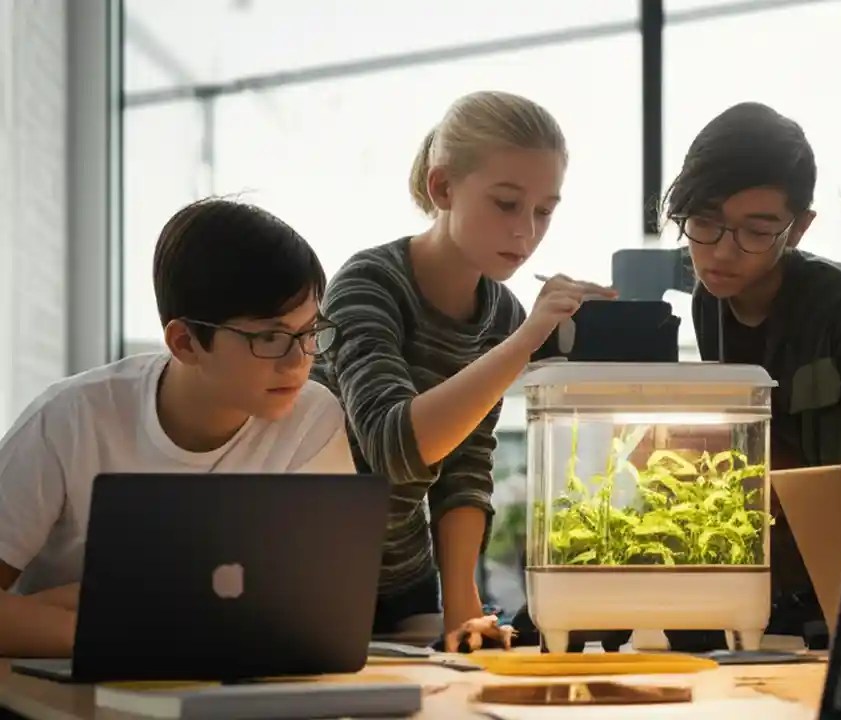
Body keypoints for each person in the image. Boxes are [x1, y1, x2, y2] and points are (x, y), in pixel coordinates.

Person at [311, 91, 613, 651]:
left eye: (544, 211)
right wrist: (528, 341)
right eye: (505, 204)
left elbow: (465, 470)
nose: (526, 231)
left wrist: (463, 608)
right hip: (309, 573)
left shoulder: (501, 315)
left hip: (405, 578)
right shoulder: (368, 284)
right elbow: (394, 445)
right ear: (443, 187)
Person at [0, 198, 354, 658]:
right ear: (185, 342)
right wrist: (127, 632)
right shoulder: (71, 418)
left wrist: (95, 609)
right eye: (270, 337)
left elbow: (313, 613)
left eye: (309, 332)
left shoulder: (312, 417)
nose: (299, 361)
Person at [664, 101, 841, 639]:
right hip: (777, 579)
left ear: (798, 229)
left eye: (756, 231)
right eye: (704, 223)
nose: (722, 252)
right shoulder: (710, 299)